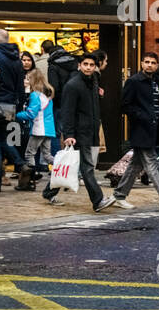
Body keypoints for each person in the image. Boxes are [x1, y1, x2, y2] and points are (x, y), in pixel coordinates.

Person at [111, 52, 159, 211]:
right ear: (142, 63)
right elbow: (125, 105)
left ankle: (119, 195)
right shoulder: (134, 81)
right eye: (147, 62)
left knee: (135, 165)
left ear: (157, 65)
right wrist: (141, 116)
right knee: (152, 163)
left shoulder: (157, 81)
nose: (149, 65)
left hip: (155, 129)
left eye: (153, 63)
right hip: (141, 129)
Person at [43, 54, 114, 211]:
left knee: (73, 165)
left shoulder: (93, 81)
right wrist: (69, 135)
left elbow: (91, 107)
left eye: (91, 64)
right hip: (79, 133)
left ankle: (49, 191)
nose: (88, 67)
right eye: (85, 64)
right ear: (79, 65)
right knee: (87, 167)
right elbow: (68, 112)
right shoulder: (73, 85)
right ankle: (98, 200)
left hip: (90, 131)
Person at [0, 28, 27, 191]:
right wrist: (18, 106)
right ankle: (22, 165)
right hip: (11, 105)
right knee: (5, 139)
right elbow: (20, 86)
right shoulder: (17, 59)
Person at [15, 68, 57, 190]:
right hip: (49, 129)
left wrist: (16, 115)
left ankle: (28, 182)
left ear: (33, 80)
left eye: (27, 78)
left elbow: (31, 114)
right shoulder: (47, 95)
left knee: (29, 154)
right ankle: (65, 168)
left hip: (39, 129)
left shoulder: (35, 95)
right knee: (48, 155)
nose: (25, 80)